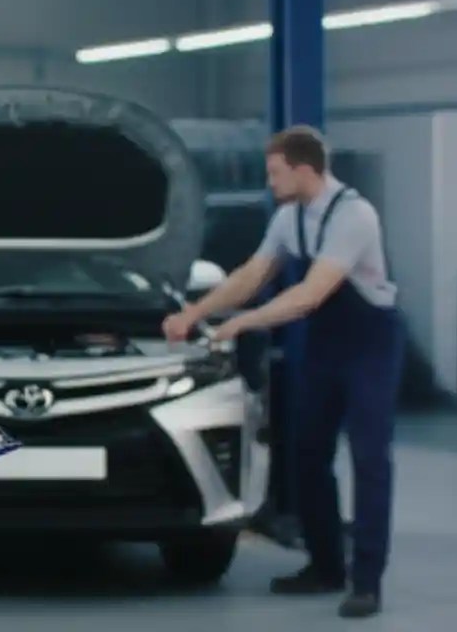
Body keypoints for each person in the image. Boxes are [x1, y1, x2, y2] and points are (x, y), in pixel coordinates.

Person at [163, 125, 402, 619]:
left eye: (275, 173)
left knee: (369, 458)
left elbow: (310, 295)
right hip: (325, 345)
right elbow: (253, 274)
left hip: (369, 346)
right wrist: (194, 313)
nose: (269, 183)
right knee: (308, 455)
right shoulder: (290, 217)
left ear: (304, 169)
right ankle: (326, 566)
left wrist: (243, 324)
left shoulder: (354, 215)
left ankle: (367, 582)